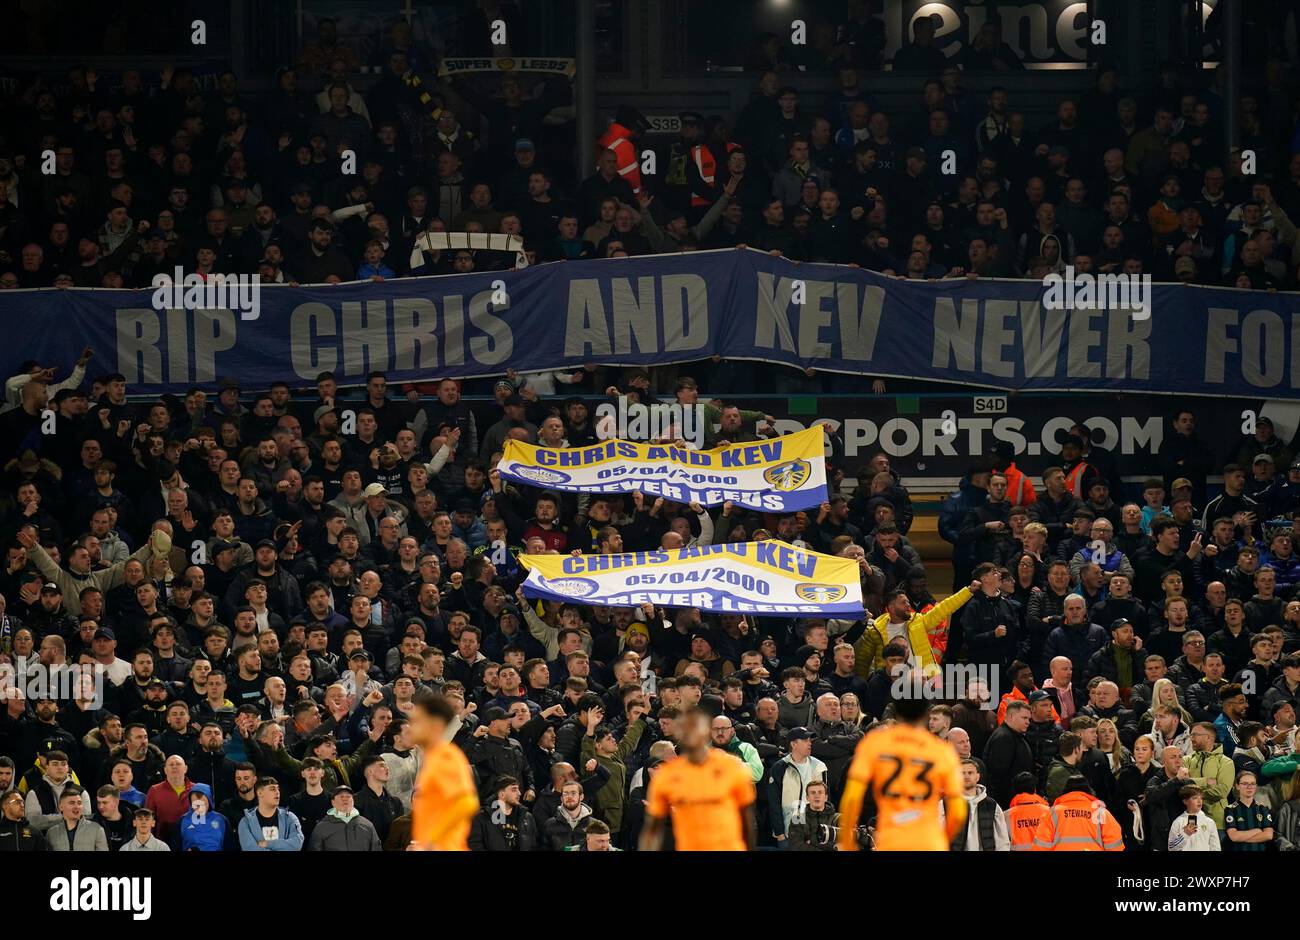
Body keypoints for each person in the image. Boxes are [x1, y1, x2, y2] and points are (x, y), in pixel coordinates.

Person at [838, 691, 965, 851]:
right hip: (928, 840)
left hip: (890, 839)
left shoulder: (874, 743)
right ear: (926, 714)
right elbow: (958, 810)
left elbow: (851, 799)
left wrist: (848, 843)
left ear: (896, 712)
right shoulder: (942, 751)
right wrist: (943, 839)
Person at [641, 707, 757, 851]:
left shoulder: (731, 767)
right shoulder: (666, 776)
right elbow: (652, 830)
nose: (691, 731)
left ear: (707, 731)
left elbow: (747, 821)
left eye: (696, 726)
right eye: (685, 726)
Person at [409, 693, 478, 851]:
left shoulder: (445, 755)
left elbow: (466, 802)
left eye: (417, 721)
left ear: (436, 725)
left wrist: (432, 841)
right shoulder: (433, 756)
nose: (411, 726)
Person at [1032, 776, 1123, 851]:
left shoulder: (1053, 813)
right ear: (1089, 791)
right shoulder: (1101, 813)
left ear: (1065, 791)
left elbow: (1040, 846)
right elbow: (1115, 845)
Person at [307, 785, 383, 851]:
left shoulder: (367, 825)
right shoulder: (321, 827)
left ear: (353, 801)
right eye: (341, 796)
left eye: (348, 796)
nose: (345, 799)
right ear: (333, 802)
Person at [237, 777, 304, 851]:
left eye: (278, 789)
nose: (277, 792)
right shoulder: (246, 822)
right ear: (260, 793)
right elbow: (250, 849)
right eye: (272, 789)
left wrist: (267, 844)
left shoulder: (289, 818)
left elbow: (297, 844)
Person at [1168, 785, 1221, 851]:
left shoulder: (1209, 822)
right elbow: (1171, 847)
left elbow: (1216, 847)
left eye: (1201, 798)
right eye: (1195, 798)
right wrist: (1185, 834)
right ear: (1185, 801)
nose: (1199, 801)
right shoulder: (1178, 822)